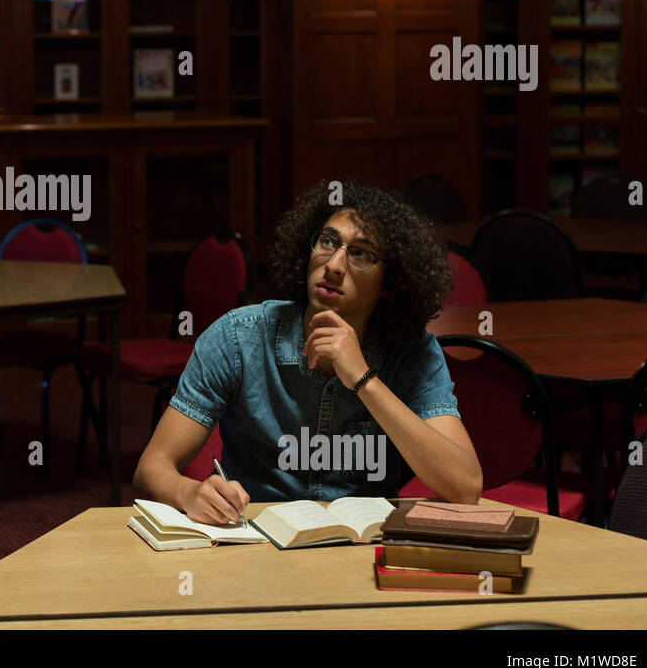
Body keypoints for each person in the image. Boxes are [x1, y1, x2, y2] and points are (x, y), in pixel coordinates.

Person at [134, 181, 483, 525]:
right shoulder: (238, 338)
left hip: (362, 549)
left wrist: (364, 379)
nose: (334, 265)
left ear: (391, 282)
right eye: (328, 242)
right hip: (252, 541)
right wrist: (187, 493)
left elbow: (465, 486)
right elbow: (151, 468)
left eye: (361, 253)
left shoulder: (413, 352)